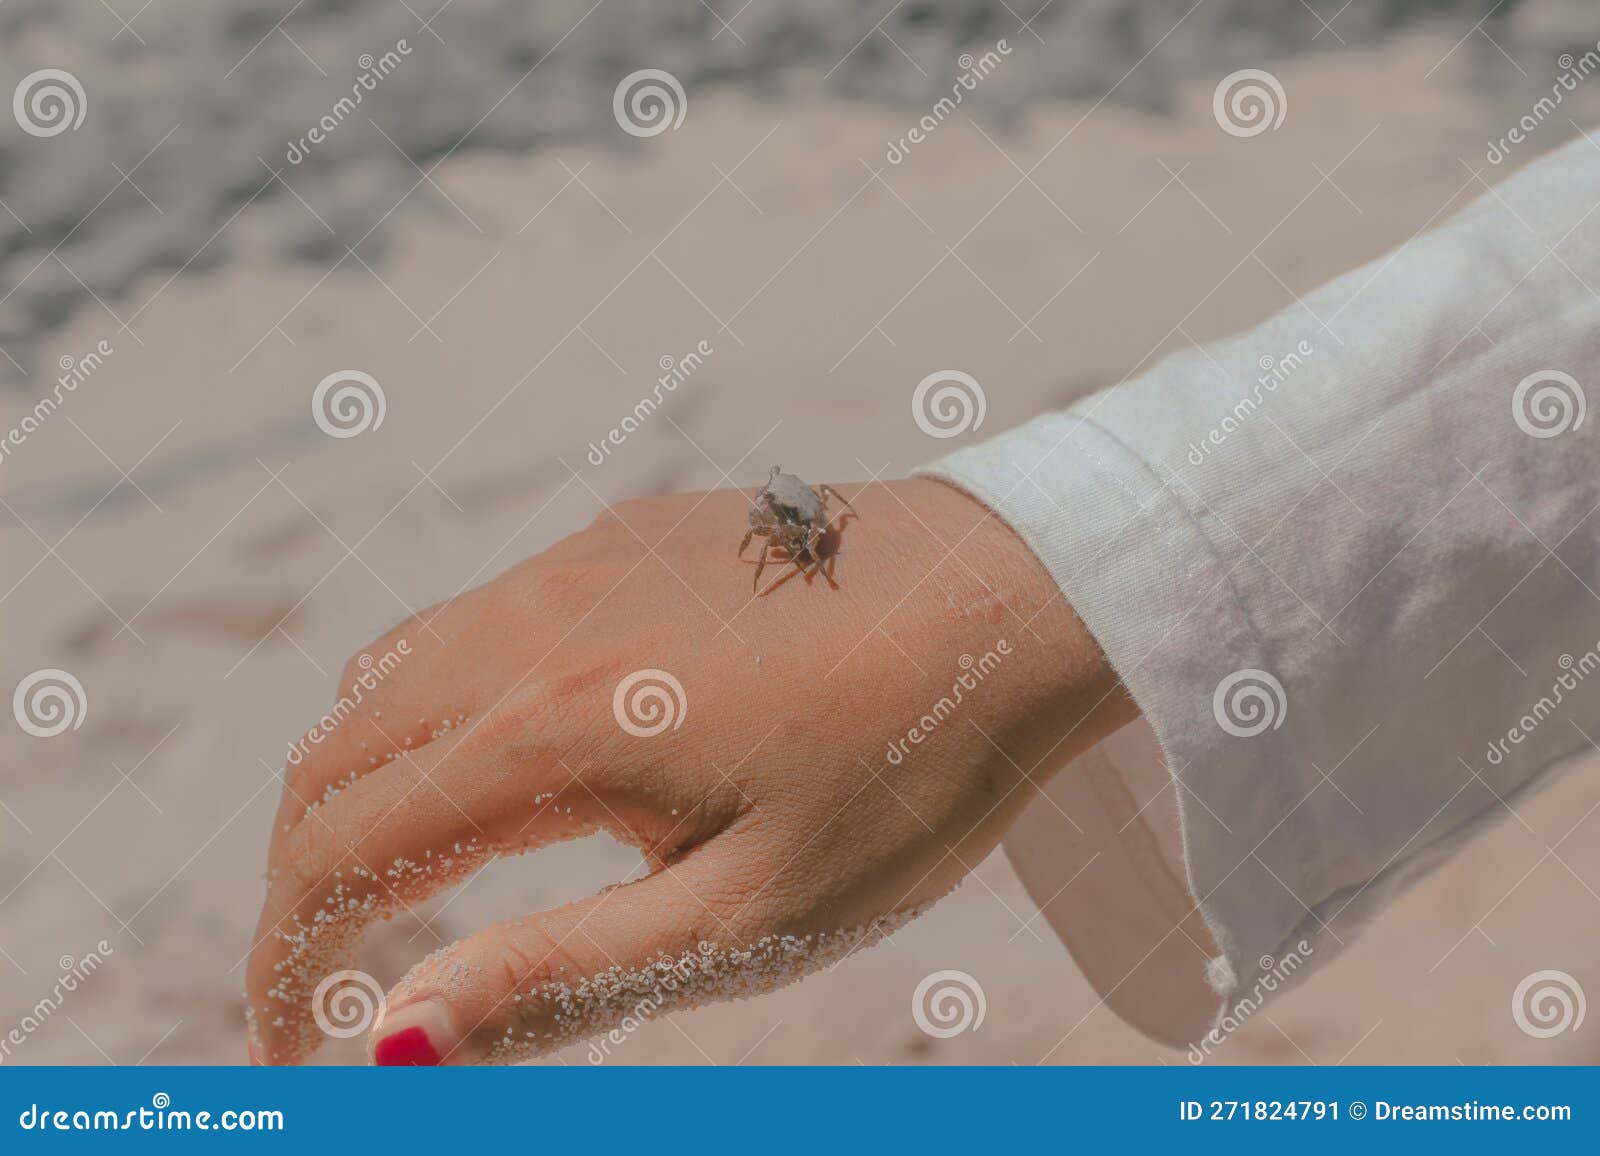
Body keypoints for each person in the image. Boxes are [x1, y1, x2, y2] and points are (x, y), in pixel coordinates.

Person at [247, 128, 1600, 1065]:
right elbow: (796, 529)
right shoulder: (793, 529)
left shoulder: (807, 535)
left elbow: (808, 533)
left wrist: (1040, 569)